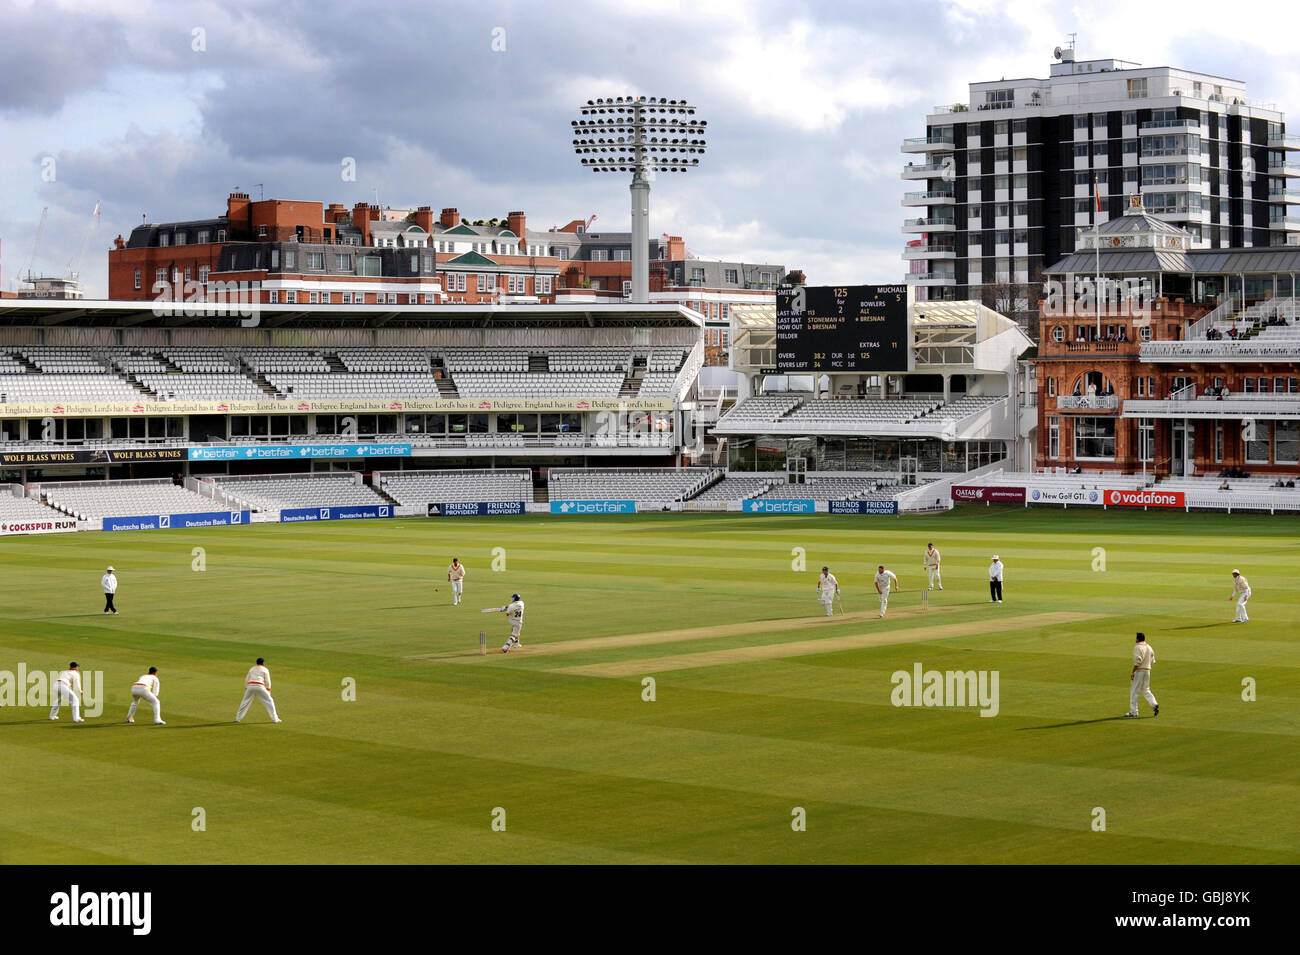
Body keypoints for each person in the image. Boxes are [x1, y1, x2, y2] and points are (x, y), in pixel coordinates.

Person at [236, 657, 282, 723]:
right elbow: (268, 681)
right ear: (263, 663)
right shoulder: (265, 669)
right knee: (269, 701)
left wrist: (247, 688)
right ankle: (275, 719)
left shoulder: (252, 668)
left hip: (250, 686)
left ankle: (238, 718)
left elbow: (247, 679)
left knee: (244, 702)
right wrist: (268, 690)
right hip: (260, 686)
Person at [1124, 632, 1159, 718]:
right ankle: (1154, 704)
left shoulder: (1138, 647)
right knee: (1146, 689)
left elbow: (1138, 661)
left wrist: (1133, 671)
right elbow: (1153, 660)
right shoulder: (1149, 647)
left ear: (1138, 639)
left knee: (1134, 691)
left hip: (1139, 671)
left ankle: (1133, 711)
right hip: (1147, 671)